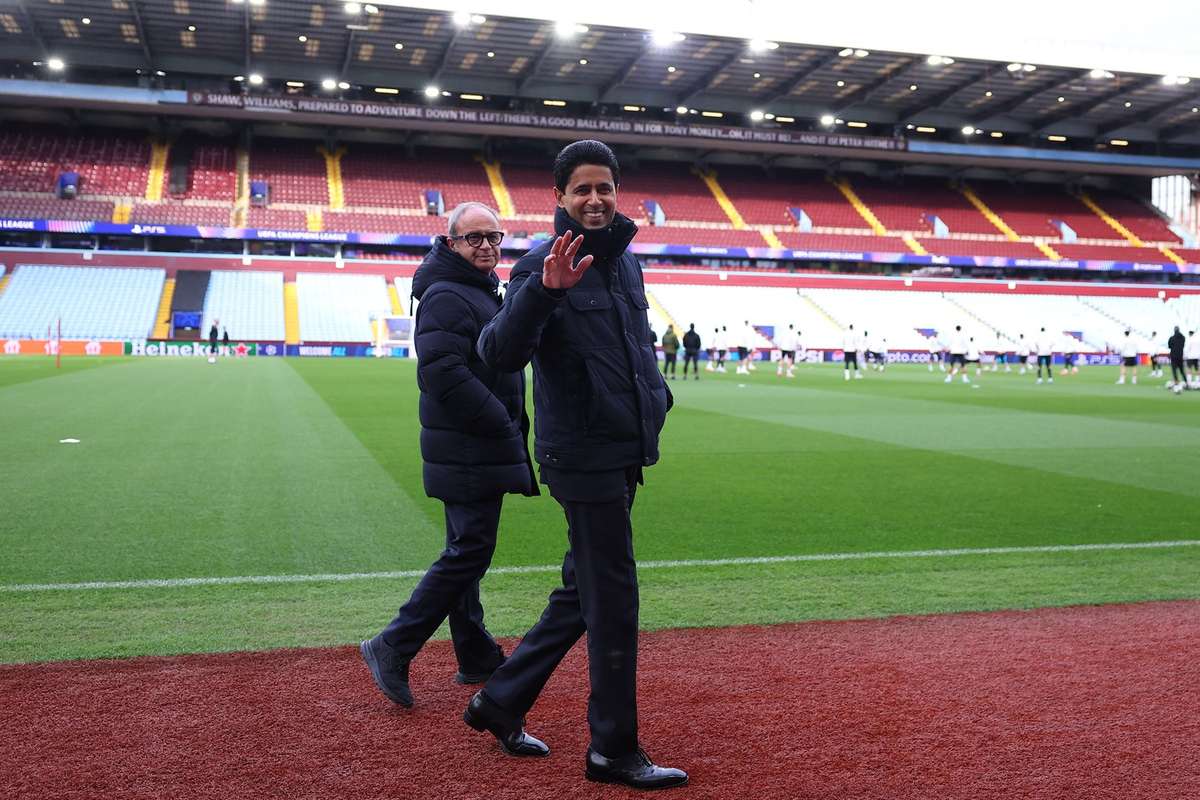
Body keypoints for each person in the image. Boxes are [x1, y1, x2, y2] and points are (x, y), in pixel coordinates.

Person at [469, 140, 687, 790]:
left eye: (605, 189)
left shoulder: (627, 266)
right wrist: (543, 293)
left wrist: (658, 403)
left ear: (618, 195)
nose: (595, 200)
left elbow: (635, 353)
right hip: (581, 455)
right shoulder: (542, 263)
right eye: (582, 190)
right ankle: (612, 750)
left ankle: (500, 699)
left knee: (581, 594)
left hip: (623, 449)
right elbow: (497, 354)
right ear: (560, 198)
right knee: (614, 602)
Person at [360, 202, 536, 709]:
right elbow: (441, 373)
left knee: (466, 548)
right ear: (452, 243)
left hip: (470, 444)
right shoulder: (446, 295)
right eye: (474, 238)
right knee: (471, 550)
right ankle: (392, 644)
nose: (486, 246)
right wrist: (500, 423)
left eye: (494, 237)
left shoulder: (477, 290)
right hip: (468, 445)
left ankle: (475, 654)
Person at [1167, 326, 1187, 394]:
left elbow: (1169, 346)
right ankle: (1186, 382)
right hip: (1180, 356)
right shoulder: (1183, 338)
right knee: (1182, 371)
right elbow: (1183, 345)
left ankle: (1176, 383)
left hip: (1173, 356)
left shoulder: (1171, 338)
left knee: (1174, 371)